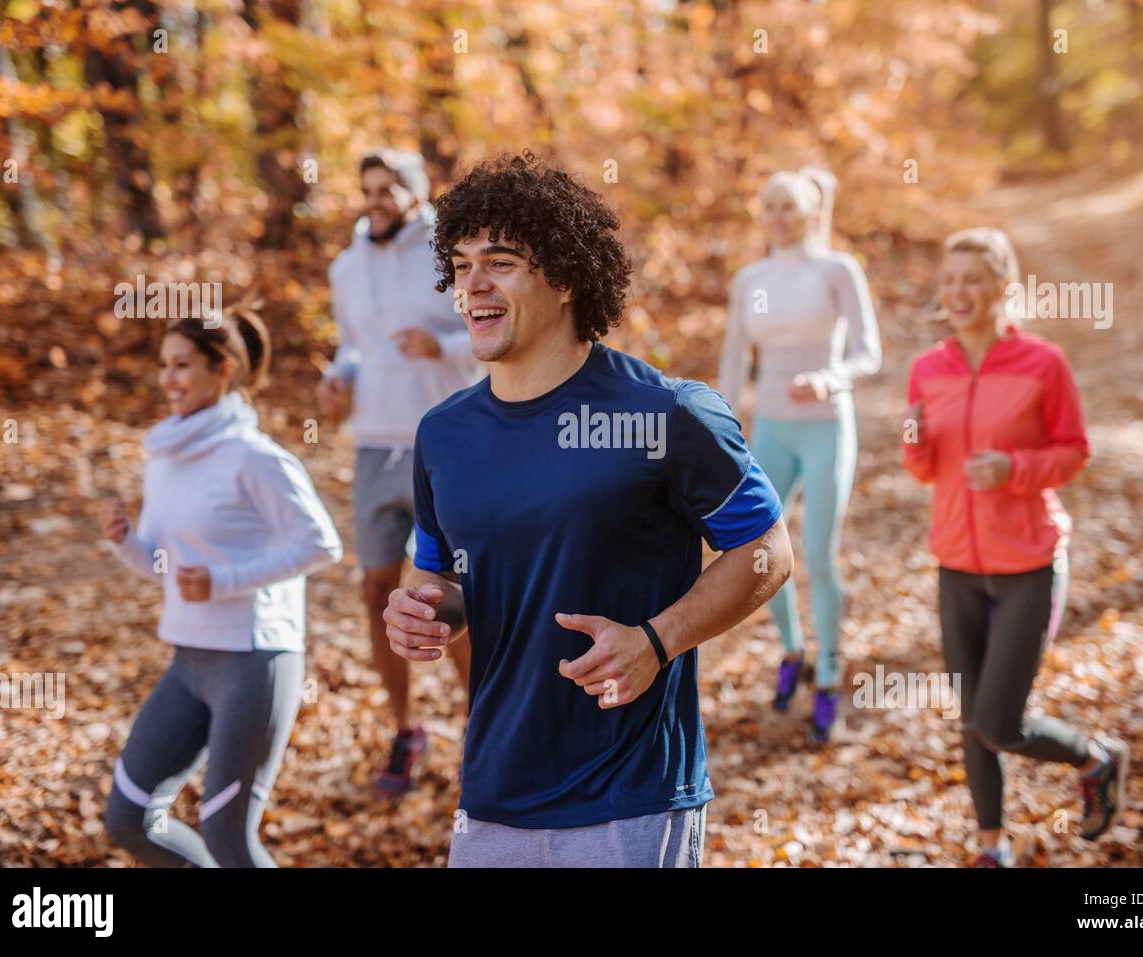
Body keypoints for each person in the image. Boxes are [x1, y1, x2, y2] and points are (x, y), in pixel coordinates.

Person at [382, 152, 794, 867]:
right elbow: (441, 580)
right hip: (492, 795)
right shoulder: (442, 435)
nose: (473, 282)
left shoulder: (667, 412)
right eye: (462, 263)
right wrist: (421, 611)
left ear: (566, 278)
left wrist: (658, 639)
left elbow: (770, 551)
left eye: (502, 262)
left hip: (629, 796)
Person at [901, 226, 1128, 867]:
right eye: (950, 280)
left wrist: (1014, 470)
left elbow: (1074, 450)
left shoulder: (1042, 363)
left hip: (1029, 561)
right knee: (972, 718)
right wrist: (912, 438)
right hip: (957, 563)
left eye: (973, 279)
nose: (959, 291)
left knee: (999, 722)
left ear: (1004, 287)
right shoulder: (928, 366)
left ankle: (1096, 757)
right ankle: (990, 848)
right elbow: (920, 464)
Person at [101, 310, 342, 867]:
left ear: (223, 369)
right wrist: (125, 542)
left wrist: (224, 580)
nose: (168, 378)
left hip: (254, 662)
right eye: (163, 366)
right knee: (129, 818)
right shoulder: (165, 455)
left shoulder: (254, 457)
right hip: (190, 661)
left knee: (228, 837)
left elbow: (322, 545)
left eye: (182, 365)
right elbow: (168, 568)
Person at [317, 149, 479, 799]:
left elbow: (492, 332)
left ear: (418, 193)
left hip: (444, 444)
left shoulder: (449, 253)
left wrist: (443, 345)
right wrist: (341, 376)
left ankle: (480, 728)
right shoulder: (346, 266)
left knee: (451, 594)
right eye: (368, 189)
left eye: (389, 188)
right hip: (372, 445)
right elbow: (354, 342)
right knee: (379, 589)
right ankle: (405, 727)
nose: (376, 199)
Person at [719, 166, 881, 742]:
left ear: (813, 212)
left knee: (818, 554)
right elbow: (736, 359)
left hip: (826, 427)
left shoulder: (838, 270)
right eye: (770, 207)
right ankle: (793, 651)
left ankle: (831, 675)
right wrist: (719, 422)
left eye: (789, 207)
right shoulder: (750, 279)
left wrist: (831, 378)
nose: (779, 218)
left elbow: (869, 353)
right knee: (763, 552)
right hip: (770, 429)